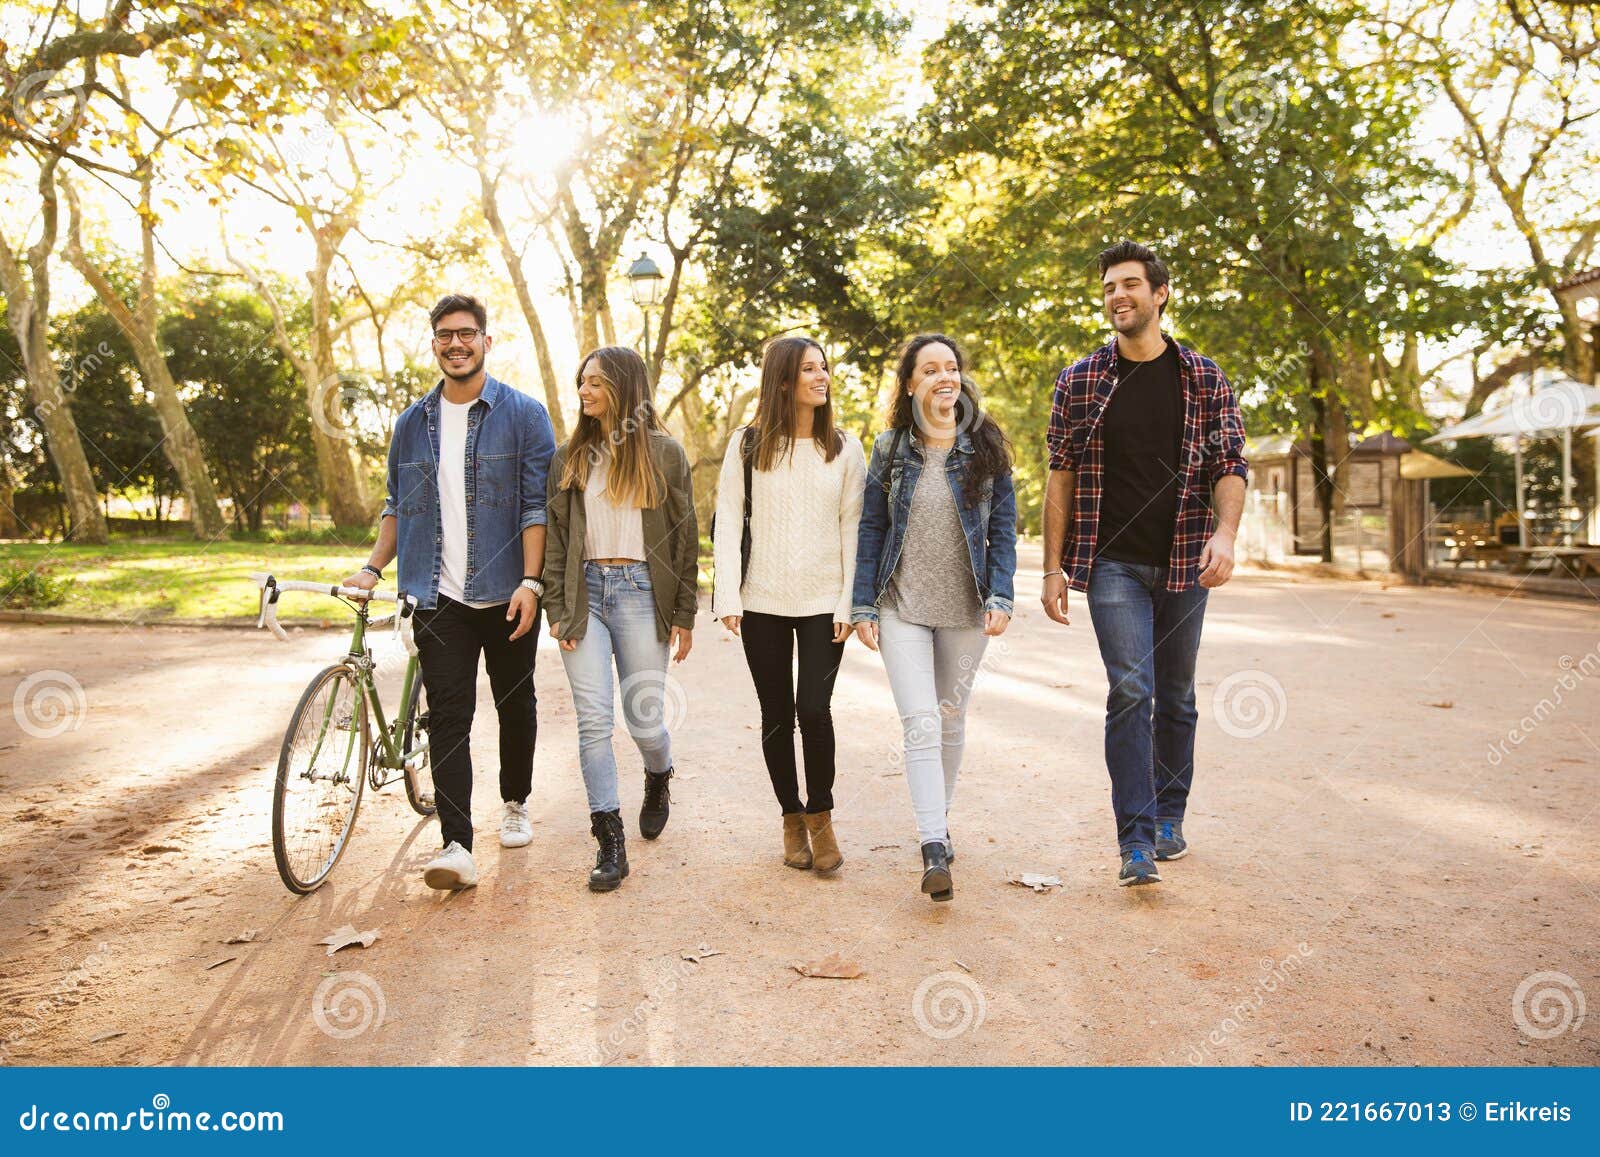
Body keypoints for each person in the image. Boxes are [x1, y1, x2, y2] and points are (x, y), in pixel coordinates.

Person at [1042, 240, 1248, 887]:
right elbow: (1061, 476)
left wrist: (1227, 534)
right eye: (1108, 287)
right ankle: (1134, 839)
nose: (1118, 296)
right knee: (1132, 688)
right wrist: (1052, 568)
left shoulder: (1204, 378)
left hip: (1187, 559)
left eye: (1130, 284)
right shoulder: (1080, 381)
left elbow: (1230, 465)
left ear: (1160, 294)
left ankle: (1168, 818)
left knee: (1177, 696)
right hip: (1114, 566)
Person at [346, 294, 556, 891]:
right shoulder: (412, 423)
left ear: (486, 341)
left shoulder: (524, 414)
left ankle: (514, 801)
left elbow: (536, 506)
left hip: (509, 593)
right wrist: (372, 568)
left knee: (516, 705)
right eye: (444, 335)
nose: (455, 344)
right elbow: (397, 507)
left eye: (467, 334)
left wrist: (531, 582)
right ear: (434, 342)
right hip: (437, 598)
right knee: (449, 718)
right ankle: (457, 844)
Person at [852, 334, 1017, 902]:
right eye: (930, 369)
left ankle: (938, 822)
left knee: (950, 720)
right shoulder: (890, 448)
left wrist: (1001, 595)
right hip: (902, 606)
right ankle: (931, 847)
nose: (944, 377)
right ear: (910, 384)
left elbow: (1003, 531)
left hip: (966, 607)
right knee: (920, 722)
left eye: (951, 367)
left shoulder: (987, 446)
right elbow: (872, 528)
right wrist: (862, 604)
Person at [543, 346, 699, 892]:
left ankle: (659, 774)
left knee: (643, 721)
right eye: (581, 381)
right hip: (585, 594)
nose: (584, 392)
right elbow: (557, 541)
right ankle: (609, 840)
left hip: (639, 592)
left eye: (596, 383)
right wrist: (557, 610)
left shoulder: (665, 453)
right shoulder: (569, 458)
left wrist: (685, 613)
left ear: (625, 389)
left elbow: (685, 539)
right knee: (593, 722)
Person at [713, 336, 865, 873]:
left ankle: (821, 815)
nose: (821, 377)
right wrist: (727, 594)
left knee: (814, 710)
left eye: (824, 367)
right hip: (762, 602)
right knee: (776, 714)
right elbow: (728, 520)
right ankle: (790, 818)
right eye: (808, 369)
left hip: (825, 601)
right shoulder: (748, 444)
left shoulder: (845, 448)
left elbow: (855, 529)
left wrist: (851, 603)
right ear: (783, 381)